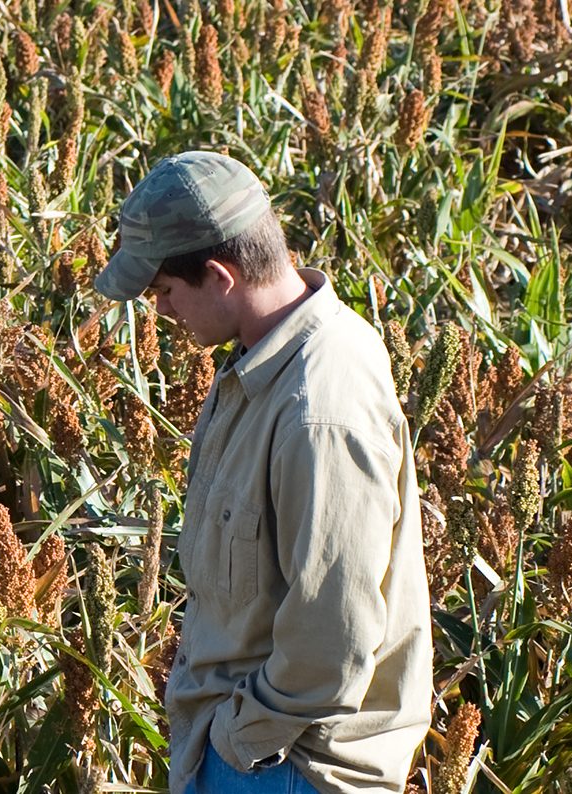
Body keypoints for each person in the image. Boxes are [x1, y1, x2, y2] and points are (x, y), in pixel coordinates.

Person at [95, 151, 431, 794]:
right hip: (256, 751)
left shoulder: (319, 409)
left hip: (287, 764)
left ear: (220, 277)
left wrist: (238, 741)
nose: (161, 312)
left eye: (164, 292)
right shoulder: (262, 363)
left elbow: (332, 637)